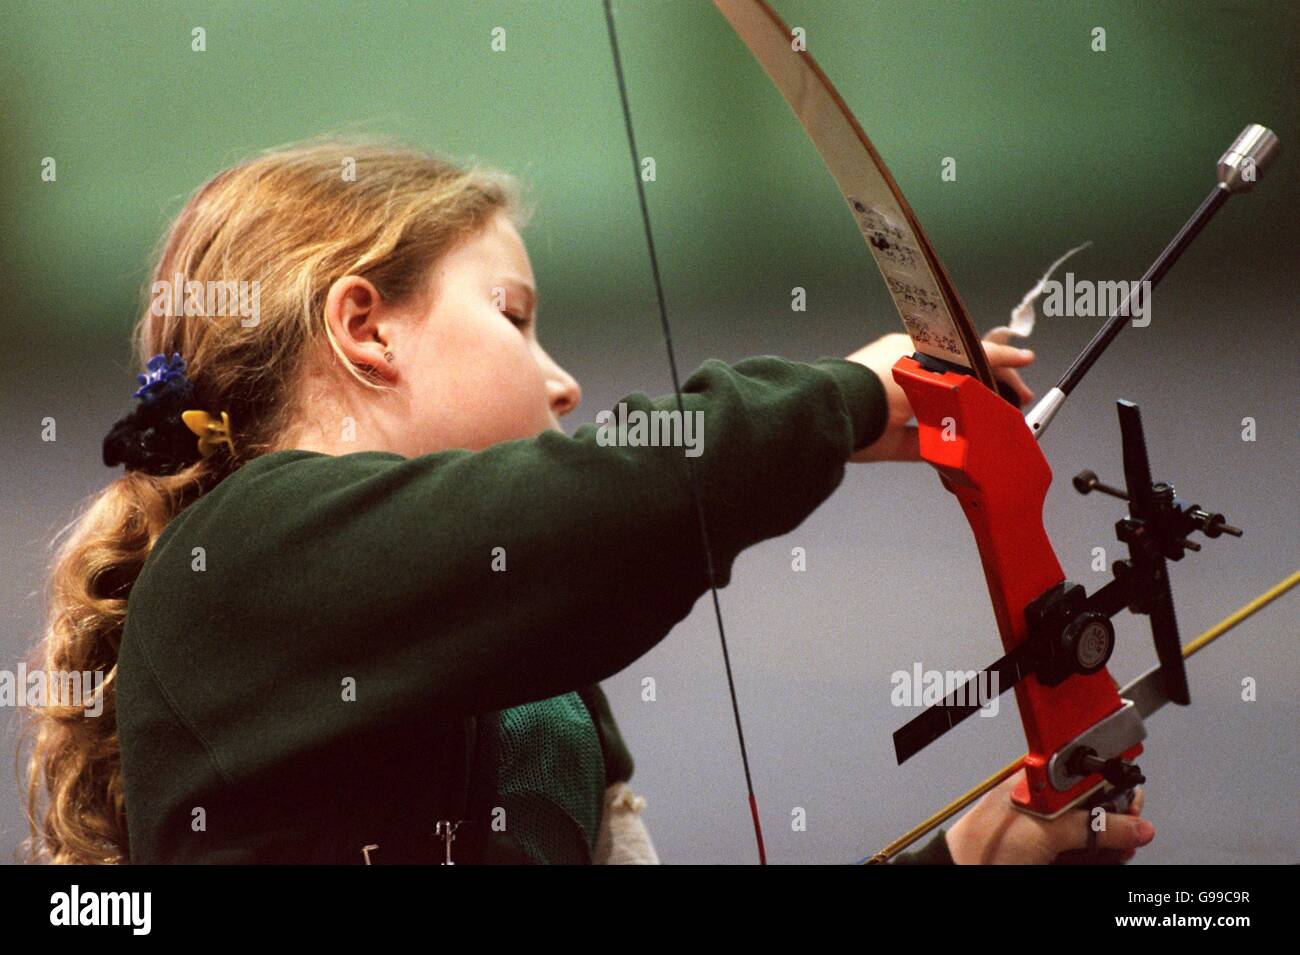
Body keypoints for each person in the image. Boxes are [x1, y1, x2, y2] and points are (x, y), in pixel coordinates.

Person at [22, 139, 1154, 865]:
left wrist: (961, 865)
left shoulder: (515, 656)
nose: (561, 378)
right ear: (364, 329)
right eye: (514, 317)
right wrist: (854, 395)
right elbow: (608, 500)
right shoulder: (245, 559)